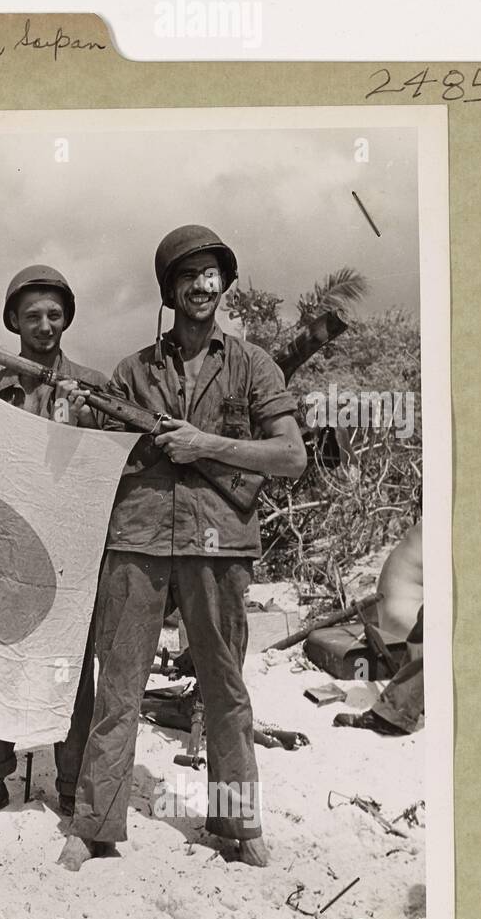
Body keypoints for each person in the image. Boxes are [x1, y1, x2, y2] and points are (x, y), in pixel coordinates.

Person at [58, 226, 306, 871]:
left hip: (218, 543)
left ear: (223, 284)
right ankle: (95, 823)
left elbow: (290, 456)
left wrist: (206, 445)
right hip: (136, 538)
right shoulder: (131, 371)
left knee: (224, 688)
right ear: (169, 290)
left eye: (211, 275)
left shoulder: (253, 365)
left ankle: (237, 820)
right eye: (188, 277)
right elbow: (95, 453)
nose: (202, 286)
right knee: (118, 686)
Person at [0, 265, 106, 829]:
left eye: (55, 315)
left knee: (69, 668)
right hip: (6, 549)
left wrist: (80, 424)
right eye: (33, 315)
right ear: (14, 320)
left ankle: (72, 785)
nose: (45, 325)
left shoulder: (92, 386)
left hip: (69, 551)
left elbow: (113, 466)